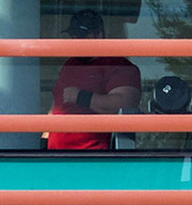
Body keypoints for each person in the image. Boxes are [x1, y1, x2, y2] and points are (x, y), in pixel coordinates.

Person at [46, 8, 141, 151]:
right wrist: (45, 137)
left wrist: (83, 97)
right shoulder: (71, 64)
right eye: (73, 35)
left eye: (81, 35)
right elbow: (57, 104)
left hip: (92, 157)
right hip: (55, 157)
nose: (76, 40)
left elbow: (126, 105)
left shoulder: (118, 65)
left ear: (99, 34)